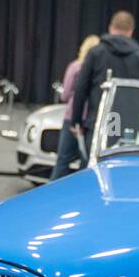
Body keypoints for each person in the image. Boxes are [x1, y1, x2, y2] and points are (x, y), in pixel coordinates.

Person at [73, 10, 139, 156]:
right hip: (128, 125)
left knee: (93, 168)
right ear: (131, 31)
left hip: (99, 121)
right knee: (123, 169)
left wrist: (76, 121)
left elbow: (81, 89)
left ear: (111, 27)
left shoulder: (96, 52)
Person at [51, 34, 100, 179]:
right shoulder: (99, 71)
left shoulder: (75, 67)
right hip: (92, 119)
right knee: (86, 163)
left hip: (72, 117)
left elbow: (65, 95)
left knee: (62, 161)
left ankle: (52, 197)